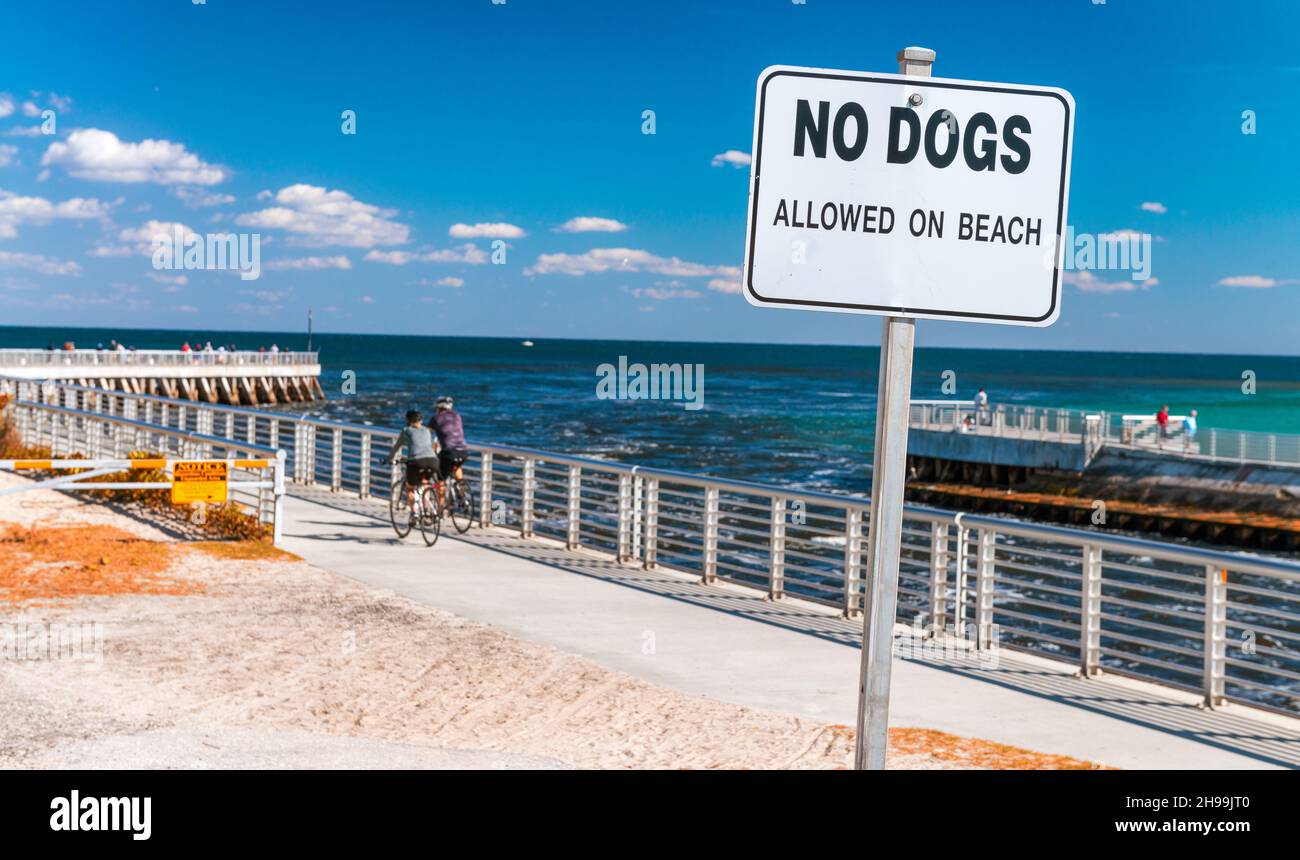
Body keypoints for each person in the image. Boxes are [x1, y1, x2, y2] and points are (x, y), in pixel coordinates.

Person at [385, 410, 439, 515]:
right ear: (421, 420)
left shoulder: (406, 430)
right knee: (425, 482)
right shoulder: (427, 430)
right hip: (433, 460)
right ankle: (426, 510)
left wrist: (388, 459)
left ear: (407, 420)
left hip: (417, 461)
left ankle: (414, 514)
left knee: (410, 488)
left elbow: (396, 447)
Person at [429, 396, 469, 507]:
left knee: (441, 480)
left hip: (449, 451)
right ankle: (462, 492)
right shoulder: (457, 416)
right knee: (457, 466)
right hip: (463, 450)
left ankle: (441, 508)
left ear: (438, 408)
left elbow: (425, 432)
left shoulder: (436, 418)